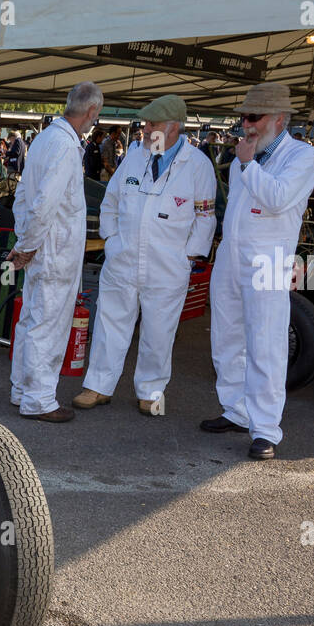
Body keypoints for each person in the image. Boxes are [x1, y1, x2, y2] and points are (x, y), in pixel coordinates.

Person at [77, 94, 217, 416]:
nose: (145, 128)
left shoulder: (197, 165)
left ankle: (151, 392)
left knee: (159, 332)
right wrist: (111, 240)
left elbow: (205, 217)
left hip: (167, 266)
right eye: (145, 123)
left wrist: (188, 257)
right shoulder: (135, 157)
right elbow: (110, 202)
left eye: (152, 123)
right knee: (110, 323)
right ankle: (97, 385)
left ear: (173, 128)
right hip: (123, 259)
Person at [203, 82, 314, 460]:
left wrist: (249, 164)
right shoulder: (242, 159)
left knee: (266, 342)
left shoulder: (299, 155)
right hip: (232, 257)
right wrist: (246, 162)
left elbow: (278, 198)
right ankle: (236, 409)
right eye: (244, 117)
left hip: (268, 261)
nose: (246, 124)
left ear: (279, 119)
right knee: (226, 336)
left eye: (254, 117)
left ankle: (266, 428)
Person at [7, 81, 104, 422]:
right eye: (97, 114)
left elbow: (25, 196)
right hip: (54, 251)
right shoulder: (64, 145)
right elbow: (44, 203)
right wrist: (28, 245)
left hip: (43, 248)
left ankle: (22, 388)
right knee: (47, 326)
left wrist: (24, 242)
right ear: (91, 111)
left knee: (31, 321)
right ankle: (39, 399)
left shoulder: (46, 138)